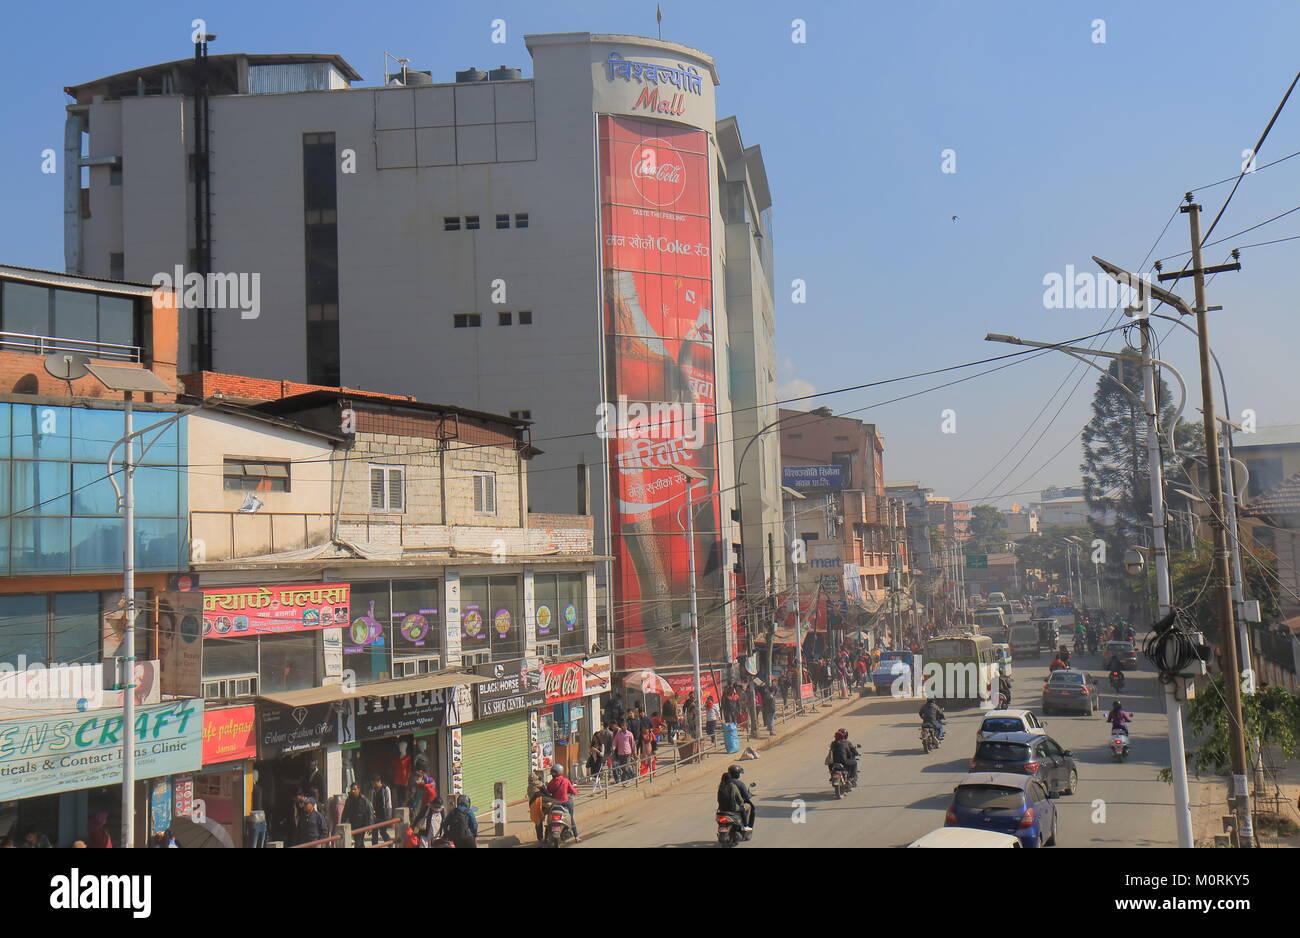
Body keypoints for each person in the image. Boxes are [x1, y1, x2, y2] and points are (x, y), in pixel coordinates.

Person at [545, 764, 580, 842]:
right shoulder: (566, 780)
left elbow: (548, 791)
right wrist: (576, 791)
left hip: (554, 804)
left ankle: (546, 838)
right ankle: (576, 836)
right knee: (571, 818)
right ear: (561, 771)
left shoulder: (551, 783)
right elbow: (573, 791)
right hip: (565, 803)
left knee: (549, 819)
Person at [342, 782, 374, 848]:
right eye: (352, 789)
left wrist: (370, 826)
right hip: (353, 824)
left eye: (354, 789)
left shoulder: (364, 800)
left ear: (358, 789)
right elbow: (345, 813)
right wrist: (342, 824)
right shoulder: (349, 800)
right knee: (359, 842)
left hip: (362, 824)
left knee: (358, 842)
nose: (353, 791)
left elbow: (370, 813)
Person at [726, 764, 754, 832]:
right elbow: (745, 797)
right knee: (747, 807)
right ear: (737, 774)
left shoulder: (724, 783)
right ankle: (745, 826)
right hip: (734, 807)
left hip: (723, 808)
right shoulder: (739, 784)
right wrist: (749, 795)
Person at [370, 775, 394, 845]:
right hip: (375, 815)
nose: (374, 785)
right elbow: (371, 801)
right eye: (373, 783)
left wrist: (389, 817)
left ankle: (390, 845)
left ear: (379, 782)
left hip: (383, 815)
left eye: (375, 783)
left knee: (383, 832)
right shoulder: (372, 790)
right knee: (374, 833)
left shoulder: (385, 789)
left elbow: (388, 803)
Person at [527, 772, 548, 841]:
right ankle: (547, 834)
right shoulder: (539, 784)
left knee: (538, 822)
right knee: (550, 815)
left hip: (533, 805)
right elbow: (546, 792)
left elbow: (529, 796)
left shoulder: (529, 787)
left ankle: (540, 837)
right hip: (542, 804)